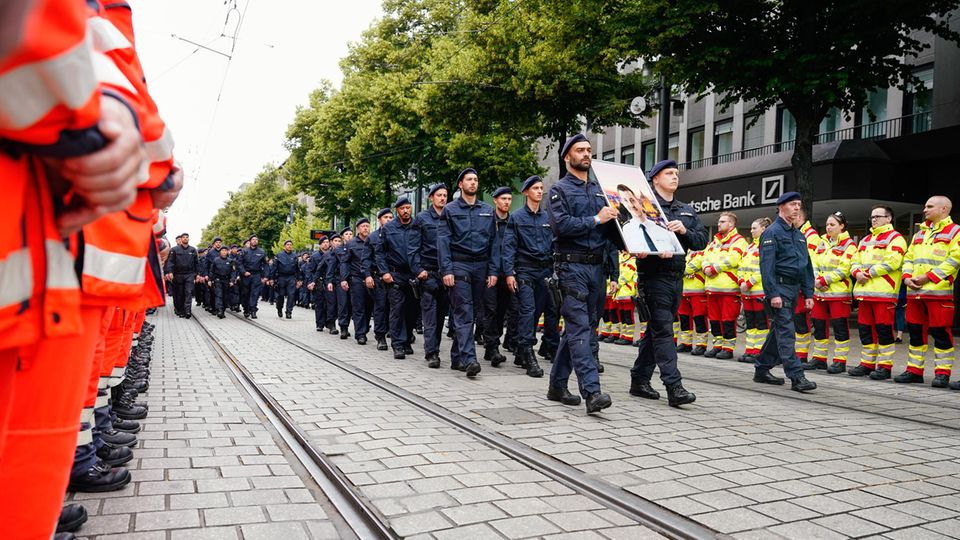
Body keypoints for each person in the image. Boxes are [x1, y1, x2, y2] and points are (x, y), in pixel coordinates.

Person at [546, 134, 623, 413]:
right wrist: (595, 219)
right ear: (568, 157)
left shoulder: (602, 191)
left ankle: (556, 384)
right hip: (571, 267)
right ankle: (592, 392)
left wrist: (632, 244)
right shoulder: (558, 190)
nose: (586, 154)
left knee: (583, 327)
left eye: (589, 150)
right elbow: (561, 227)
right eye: (580, 150)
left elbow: (611, 231)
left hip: (596, 268)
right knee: (581, 329)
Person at [628, 159, 708, 407]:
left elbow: (701, 241)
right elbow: (630, 235)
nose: (675, 177)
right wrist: (647, 250)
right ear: (655, 179)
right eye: (668, 173)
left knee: (655, 331)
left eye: (676, 173)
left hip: (676, 277)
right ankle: (674, 386)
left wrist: (684, 231)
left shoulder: (686, 210)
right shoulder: (644, 206)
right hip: (653, 277)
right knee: (663, 330)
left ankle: (639, 379)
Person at [438, 168, 500, 377]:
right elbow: (443, 242)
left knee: (473, 313)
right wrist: (446, 269)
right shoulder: (450, 210)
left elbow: (494, 243)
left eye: (476, 179)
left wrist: (493, 270)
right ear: (460, 185)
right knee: (464, 311)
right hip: (459, 265)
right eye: (469, 180)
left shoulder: (487, 210)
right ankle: (469, 358)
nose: (473, 183)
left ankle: (457, 356)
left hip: (481, 267)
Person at [753, 192, 817, 392]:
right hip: (780, 288)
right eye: (792, 204)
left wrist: (808, 294)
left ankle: (762, 369)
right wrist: (773, 294)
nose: (797, 208)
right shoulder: (772, 233)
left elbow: (806, 266)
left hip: (794, 288)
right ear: (781, 207)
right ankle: (797, 377)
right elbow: (767, 266)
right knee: (787, 332)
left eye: (799, 204)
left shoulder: (798, 235)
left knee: (778, 331)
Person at [897, 196, 960, 388]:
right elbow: (908, 258)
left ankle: (943, 374)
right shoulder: (919, 234)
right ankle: (914, 371)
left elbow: (954, 260)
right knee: (915, 333)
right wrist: (906, 277)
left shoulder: (955, 232)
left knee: (941, 333)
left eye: (929, 206)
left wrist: (929, 277)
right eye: (925, 206)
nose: (925, 210)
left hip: (938, 293)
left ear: (944, 209)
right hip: (914, 292)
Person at [503, 176, 556, 377]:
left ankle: (519, 348)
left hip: (544, 271)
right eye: (535, 188)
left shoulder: (547, 218)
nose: (539, 191)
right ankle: (527, 351)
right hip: (525, 270)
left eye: (541, 188)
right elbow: (509, 247)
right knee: (527, 309)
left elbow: (553, 244)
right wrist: (509, 273)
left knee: (537, 312)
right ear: (526, 192)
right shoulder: (516, 218)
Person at [848, 205, 907, 380]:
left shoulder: (896, 238)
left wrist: (866, 273)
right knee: (865, 330)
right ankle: (866, 364)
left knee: (884, 331)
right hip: (865, 293)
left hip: (883, 293)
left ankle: (884, 367)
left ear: (889, 218)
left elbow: (893, 263)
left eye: (878, 216)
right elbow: (854, 261)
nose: (874, 219)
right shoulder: (865, 239)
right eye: (872, 217)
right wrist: (856, 272)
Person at [409, 184, 453, 369]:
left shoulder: (451, 216)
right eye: (439, 195)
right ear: (431, 198)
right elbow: (412, 247)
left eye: (445, 195)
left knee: (441, 315)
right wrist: (418, 270)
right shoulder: (421, 218)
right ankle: (431, 352)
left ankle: (435, 347)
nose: (442, 198)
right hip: (428, 273)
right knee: (430, 315)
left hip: (446, 273)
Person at [808, 212, 857, 373]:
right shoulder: (822, 243)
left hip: (838, 294)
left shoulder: (849, 245)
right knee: (819, 327)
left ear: (842, 226)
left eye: (832, 225)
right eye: (827, 225)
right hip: (819, 293)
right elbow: (813, 263)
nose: (828, 227)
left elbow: (844, 269)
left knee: (840, 328)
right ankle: (819, 359)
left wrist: (823, 281)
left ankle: (840, 361)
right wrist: (816, 280)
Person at [702, 212, 748, 359]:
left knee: (728, 320)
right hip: (712, 288)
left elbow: (733, 259)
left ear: (731, 224)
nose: (719, 224)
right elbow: (705, 256)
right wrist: (705, 268)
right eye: (719, 221)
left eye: (722, 222)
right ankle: (717, 346)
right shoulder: (714, 241)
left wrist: (713, 269)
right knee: (714, 320)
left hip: (728, 288)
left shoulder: (739, 241)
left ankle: (728, 349)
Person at [377, 197, 419, 359]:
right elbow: (380, 253)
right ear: (397, 210)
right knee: (397, 309)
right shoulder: (389, 228)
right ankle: (398, 344)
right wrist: (384, 272)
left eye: (408, 207)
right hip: (395, 275)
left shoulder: (417, 226)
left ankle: (407, 339)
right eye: (403, 208)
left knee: (412, 310)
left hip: (414, 274)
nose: (406, 211)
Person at [481, 187, 515, 367]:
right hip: (489, 273)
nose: (507, 202)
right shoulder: (487, 221)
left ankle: (492, 345)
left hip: (507, 273)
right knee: (490, 310)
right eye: (503, 199)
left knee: (503, 311)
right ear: (495, 200)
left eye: (509, 199)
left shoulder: (513, 222)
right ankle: (492, 347)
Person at [738, 218, 771, 364]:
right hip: (747, 292)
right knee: (750, 322)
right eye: (751, 228)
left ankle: (759, 351)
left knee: (761, 322)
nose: (751, 231)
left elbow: (764, 268)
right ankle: (750, 350)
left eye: (754, 228)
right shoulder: (750, 247)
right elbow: (741, 267)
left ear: (763, 229)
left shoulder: (766, 246)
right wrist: (741, 282)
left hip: (759, 291)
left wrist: (749, 283)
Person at [617, 184, 683, 253]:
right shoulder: (626, 230)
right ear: (623, 203)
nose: (631, 205)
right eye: (625, 201)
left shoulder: (662, 226)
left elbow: (680, 252)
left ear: (638, 201)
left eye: (632, 200)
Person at [343, 219, 375, 345]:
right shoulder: (351, 244)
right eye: (363, 226)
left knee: (369, 306)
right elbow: (345, 262)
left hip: (371, 278)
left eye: (367, 226)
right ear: (358, 228)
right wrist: (344, 279)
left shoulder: (372, 241)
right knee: (358, 307)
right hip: (356, 279)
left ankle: (365, 328)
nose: (366, 228)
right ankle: (360, 334)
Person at [795, 210, 822, 364]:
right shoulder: (796, 233)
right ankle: (797, 354)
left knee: (801, 322)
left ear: (799, 217)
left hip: (801, 287)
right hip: (794, 286)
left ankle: (801, 356)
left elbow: (806, 262)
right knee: (796, 322)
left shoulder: (811, 236)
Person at [369, 209, 394, 350]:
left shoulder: (397, 234)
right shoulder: (373, 237)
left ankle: (398, 337)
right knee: (381, 307)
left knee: (396, 308)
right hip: (379, 277)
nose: (389, 219)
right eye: (386, 217)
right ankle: (380, 336)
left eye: (391, 217)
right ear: (379, 219)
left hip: (395, 276)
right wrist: (367, 275)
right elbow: (366, 258)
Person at [678, 249, 709, 355]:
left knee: (699, 318)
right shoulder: (689, 252)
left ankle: (701, 345)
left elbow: (691, 267)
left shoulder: (705, 250)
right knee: (684, 318)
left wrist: (681, 272)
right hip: (684, 290)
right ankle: (686, 343)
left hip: (698, 291)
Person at [164, 233, 198, 318]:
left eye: (187, 237)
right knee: (180, 293)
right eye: (183, 237)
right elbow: (170, 262)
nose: (185, 239)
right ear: (181, 239)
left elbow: (196, 263)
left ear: (188, 239)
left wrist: (197, 274)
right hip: (178, 274)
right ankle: (180, 310)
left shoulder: (193, 250)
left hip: (189, 274)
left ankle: (187, 311)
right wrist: (170, 272)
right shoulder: (174, 250)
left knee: (188, 292)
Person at [269, 240, 302, 319]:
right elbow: (274, 268)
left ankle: (289, 312)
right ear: (284, 246)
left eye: (291, 245)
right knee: (280, 295)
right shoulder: (279, 255)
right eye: (288, 244)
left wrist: (299, 279)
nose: (289, 246)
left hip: (291, 277)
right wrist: (271, 278)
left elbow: (297, 269)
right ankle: (279, 308)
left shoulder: (294, 256)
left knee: (291, 295)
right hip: (281, 277)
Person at [331, 228, 354, 339]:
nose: (349, 236)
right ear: (342, 237)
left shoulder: (356, 247)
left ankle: (347, 324)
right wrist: (330, 280)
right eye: (346, 234)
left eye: (351, 234)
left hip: (354, 279)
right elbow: (332, 266)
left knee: (351, 305)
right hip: (341, 279)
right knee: (343, 304)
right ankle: (343, 327)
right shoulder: (338, 250)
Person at [307, 236, 331, 331]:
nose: (326, 244)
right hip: (319, 282)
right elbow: (310, 270)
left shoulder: (331, 254)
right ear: (320, 244)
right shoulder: (315, 256)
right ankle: (320, 323)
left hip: (329, 281)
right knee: (319, 303)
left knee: (329, 303)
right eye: (323, 242)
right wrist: (311, 282)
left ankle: (328, 322)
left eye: (327, 242)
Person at [321, 235, 342, 334]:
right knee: (331, 304)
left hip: (341, 281)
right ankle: (332, 324)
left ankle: (343, 326)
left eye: (339, 241)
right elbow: (320, 268)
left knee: (342, 305)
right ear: (331, 242)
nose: (337, 243)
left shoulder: (344, 252)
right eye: (335, 241)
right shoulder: (327, 255)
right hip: (330, 282)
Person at [210, 246, 238, 318]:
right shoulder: (216, 260)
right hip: (218, 280)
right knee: (219, 295)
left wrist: (232, 280)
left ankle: (223, 310)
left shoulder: (230, 261)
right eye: (222, 250)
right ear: (220, 252)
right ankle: (219, 310)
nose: (224, 252)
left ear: (227, 252)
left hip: (227, 280)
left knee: (225, 296)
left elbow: (233, 272)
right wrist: (210, 280)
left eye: (225, 250)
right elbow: (212, 271)